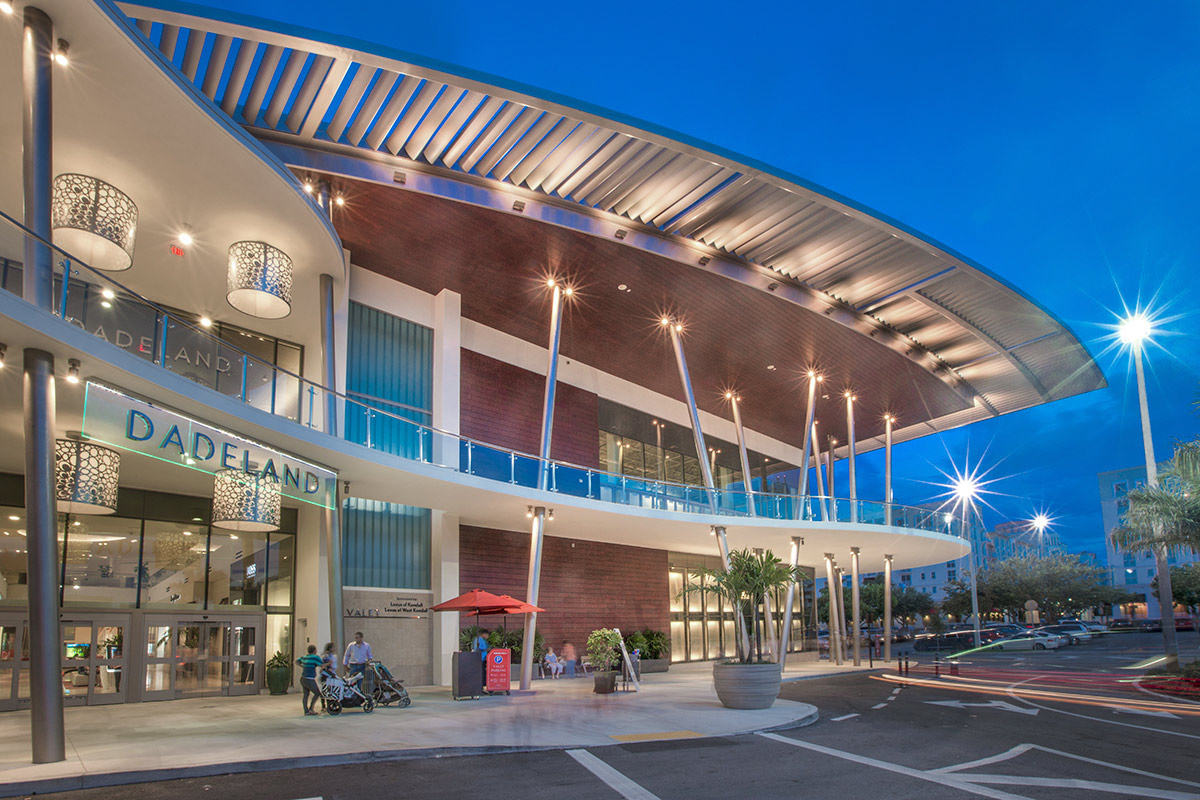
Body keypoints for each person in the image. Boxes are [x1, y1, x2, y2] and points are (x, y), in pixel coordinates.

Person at [296, 644, 323, 716]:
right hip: (310, 679)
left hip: (303, 678)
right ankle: (311, 709)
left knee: (306, 695)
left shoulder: (304, 657)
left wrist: (302, 666)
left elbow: (296, 661)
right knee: (317, 693)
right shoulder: (315, 657)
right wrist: (329, 663)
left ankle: (306, 711)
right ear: (314, 650)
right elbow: (321, 665)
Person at [318, 642, 338, 709]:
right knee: (326, 690)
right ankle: (324, 705)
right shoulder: (326, 656)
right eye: (333, 647)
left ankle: (330, 703)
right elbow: (324, 665)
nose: (334, 648)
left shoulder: (333, 655)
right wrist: (329, 665)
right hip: (326, 675)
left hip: (332, 674)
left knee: (331, 690)